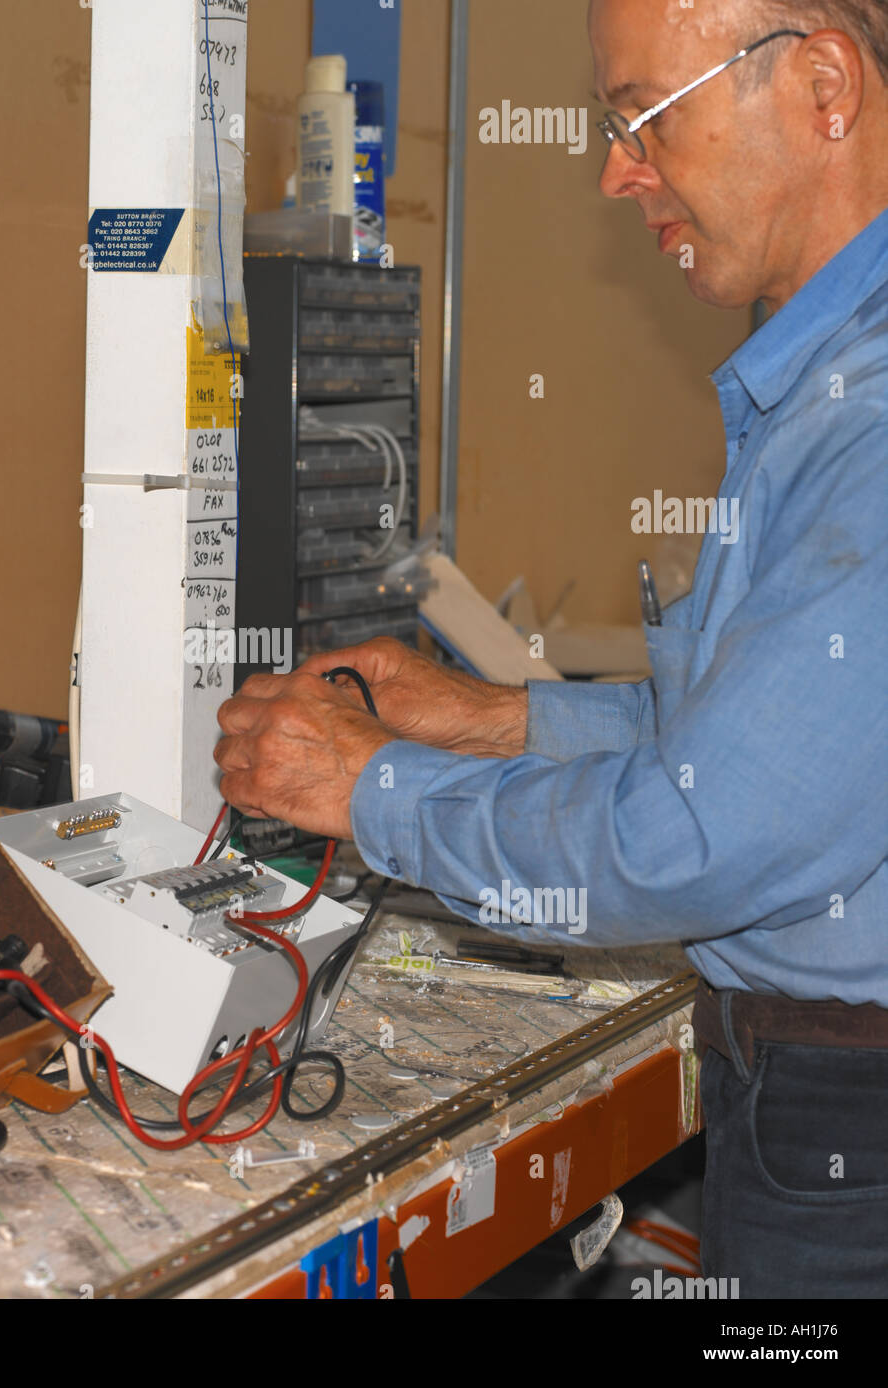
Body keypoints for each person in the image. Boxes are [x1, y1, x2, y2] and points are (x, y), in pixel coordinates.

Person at [215, 0, 888, 1298]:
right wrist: (497, 721)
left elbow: (706, 837)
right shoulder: (813, 388)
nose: (616, 170)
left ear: (821, 86)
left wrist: (367, 791)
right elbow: (772, 739)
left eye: (643, 119)